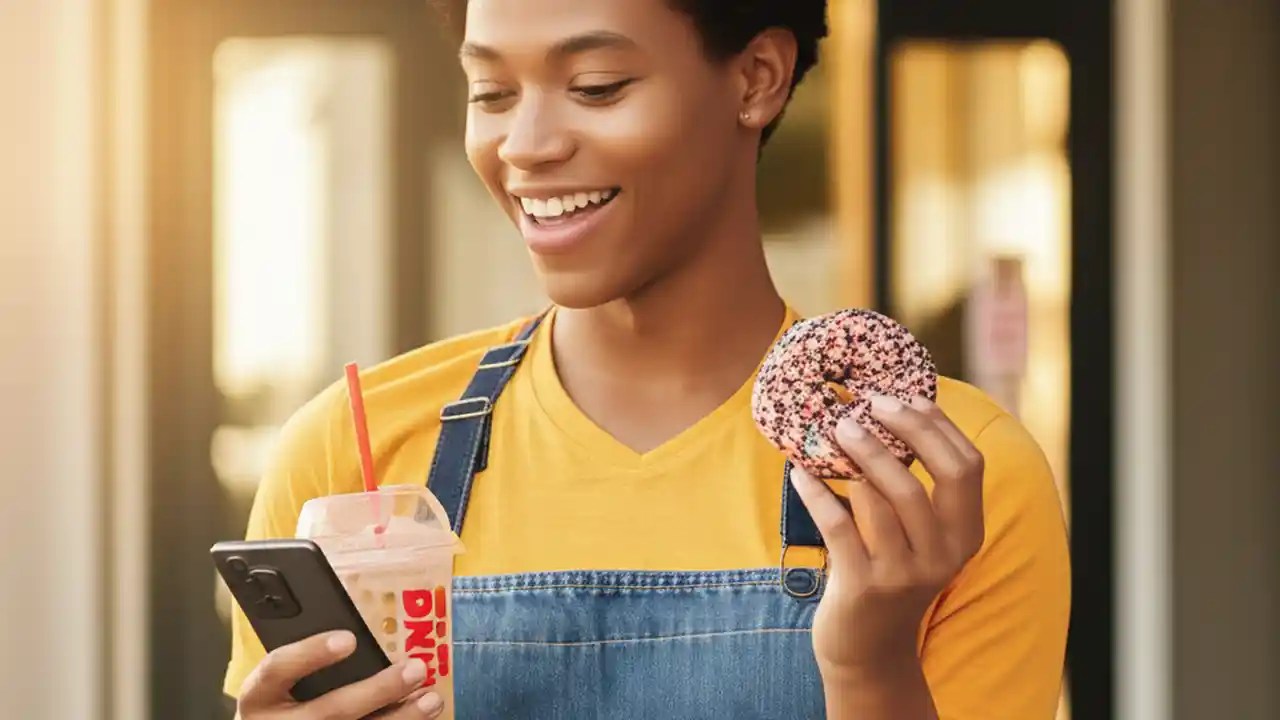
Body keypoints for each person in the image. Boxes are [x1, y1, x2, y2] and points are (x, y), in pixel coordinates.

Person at [223, 0, 1071, 718]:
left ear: (757, 79)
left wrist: (869, 665)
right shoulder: (354, 453)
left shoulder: (952, 472)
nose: (526, 144)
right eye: (491, 92)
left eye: (595, 87)